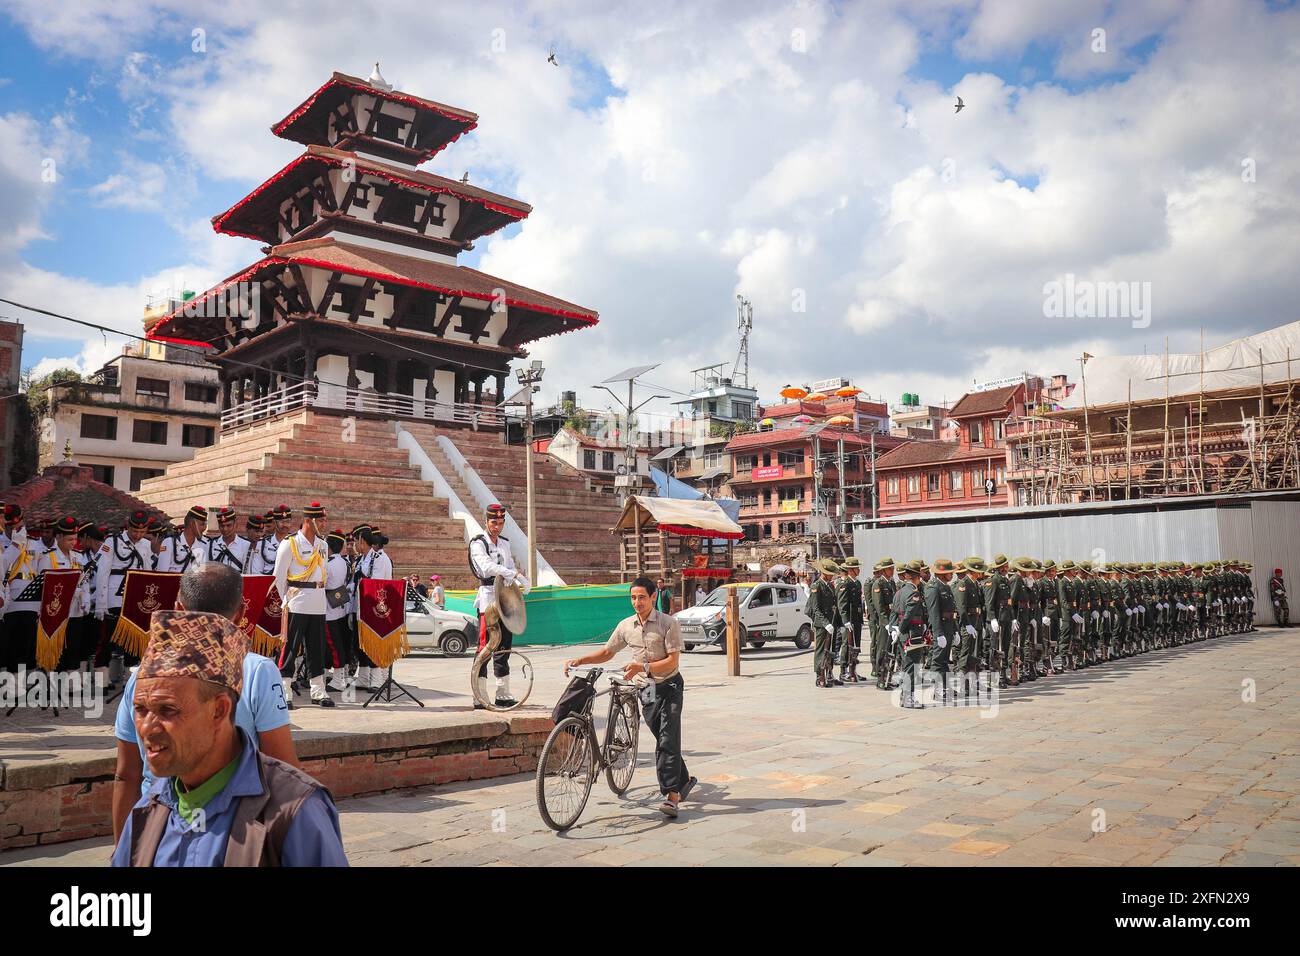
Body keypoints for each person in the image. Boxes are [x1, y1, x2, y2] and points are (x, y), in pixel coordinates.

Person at [112, 608, 345, 867]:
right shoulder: (149, 809)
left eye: (167, 710)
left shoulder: (293, 811)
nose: (148, 728)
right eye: (140, 710)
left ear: (219, 710)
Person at [112, 562, 297, 842]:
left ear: (178, 607)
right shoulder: (257, 670)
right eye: (146, 710)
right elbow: (284, 769)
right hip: (230, 828)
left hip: (155, 826)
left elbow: (126, 776)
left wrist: (124, 850)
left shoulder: (141, 676)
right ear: (241, 615)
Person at [564, 576, 696, 819]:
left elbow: (673, 661)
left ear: (653, 596)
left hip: (669, 685)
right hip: (646, 688)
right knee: (662, 736)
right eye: (633, 597)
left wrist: (642, 667)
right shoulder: (626, 625)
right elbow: (607, 651)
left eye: (642, 597)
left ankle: (672, 796)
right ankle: (684, 779)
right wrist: (580, 660)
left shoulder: (668, 623)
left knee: (667, 738)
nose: (637, 602)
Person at [469, 503, 530, 709]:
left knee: (504, 647)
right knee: (486, 647)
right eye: (494, 522)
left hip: (504, 598)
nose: (497, 526)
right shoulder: (478, 543)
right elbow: (486, 567)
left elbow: (509, 566)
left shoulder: (504, 543)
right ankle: (479, 694)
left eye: (501, 522)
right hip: (488, 600)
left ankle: (502, 693)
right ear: (486, 521)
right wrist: (513, 574)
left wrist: (518, 578)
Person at [273, 501, 333, 707]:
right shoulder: (290, 544)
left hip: (317, 601)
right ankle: (284, 690)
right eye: (321, 520)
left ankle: (318, 691)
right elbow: (279, 577)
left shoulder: (323, 545)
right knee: (290, 648)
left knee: (317, 649)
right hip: (297, 601)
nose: (325, 524)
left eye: (325, 519)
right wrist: (286, 600)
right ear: (308, 520)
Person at [351, 529, 393, 691]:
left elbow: (375, 585)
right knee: (360, 643)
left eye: (357, 541)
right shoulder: (362, 559)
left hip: (374, 606)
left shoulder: (379, 559)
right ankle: (363, 677)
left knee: (373, 643)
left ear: (362, 542)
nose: (355, 545)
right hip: (360, 605)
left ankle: (376, 680)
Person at [809, 558, 841, 688]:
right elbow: (816, 608)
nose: (832, 575)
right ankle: (819, 674)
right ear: (824, 573)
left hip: (831, 622)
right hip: (822, 624)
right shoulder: (817, 586)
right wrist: (826, 623)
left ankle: (829, 673)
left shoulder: (829, 584)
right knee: (821, 649)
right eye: (830, 573)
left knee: (831, 649)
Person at [834, 556, 864, 683]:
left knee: (856, 645)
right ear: (851, 570)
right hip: (848, 619)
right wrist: (846, 621)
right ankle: (843, 671)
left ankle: (853, 669)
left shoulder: (857, 583)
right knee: (846, 644)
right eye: (857, 568)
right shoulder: (845, 584)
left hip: (856, 618)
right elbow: (842, 604)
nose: (859, 570)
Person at [206, 507, 251, 573]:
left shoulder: (245, 544)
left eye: (228, 525)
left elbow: (247, 571)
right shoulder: (211, 543)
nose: (225, 529)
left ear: (235, 525)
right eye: (222, 526)